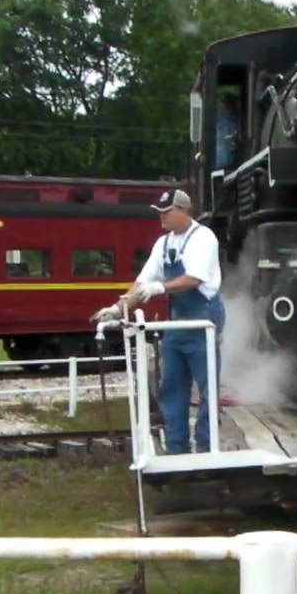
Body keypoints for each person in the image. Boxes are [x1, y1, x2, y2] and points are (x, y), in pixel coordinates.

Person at [91, 188, 224, 454]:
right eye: (159, 212)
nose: (161, 216)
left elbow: (194, 278)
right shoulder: (163, 244)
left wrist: (160, 288)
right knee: (172, 385)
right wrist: (118, 308)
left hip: (203, 319)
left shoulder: (203, 238)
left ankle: (208, 448)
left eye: (166, 211)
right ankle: (177, 448)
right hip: (176, 322)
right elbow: (142, 281)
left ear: (184, 211)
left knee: (208, 386)